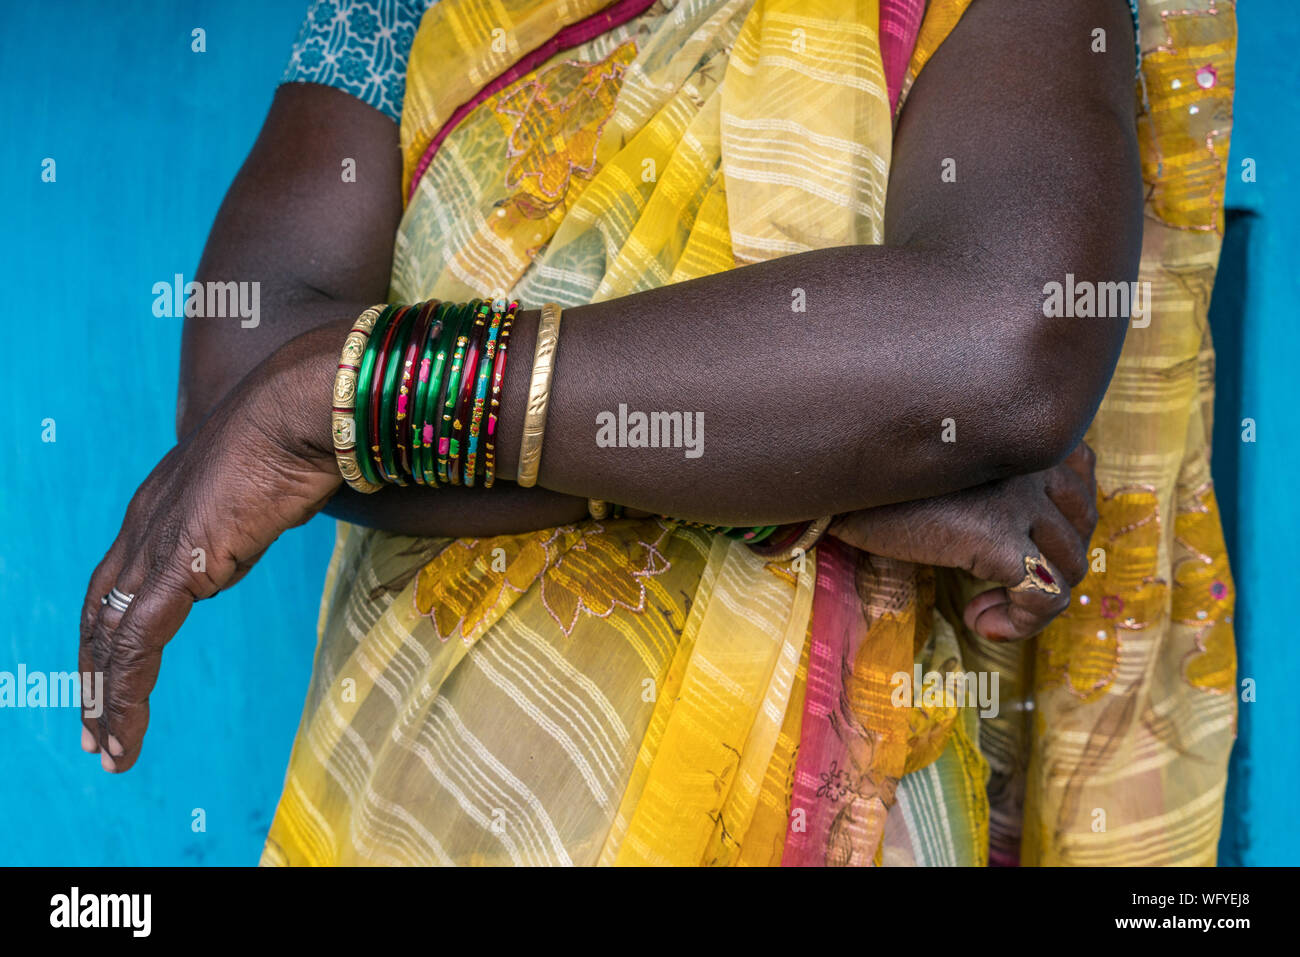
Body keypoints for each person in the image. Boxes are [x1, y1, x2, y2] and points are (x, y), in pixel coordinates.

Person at [80, 0, 1238, 866]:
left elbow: (998, 338)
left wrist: (346, 399)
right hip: (427, 800)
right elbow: (247, 365)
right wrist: (827, 467)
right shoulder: (399, 10)